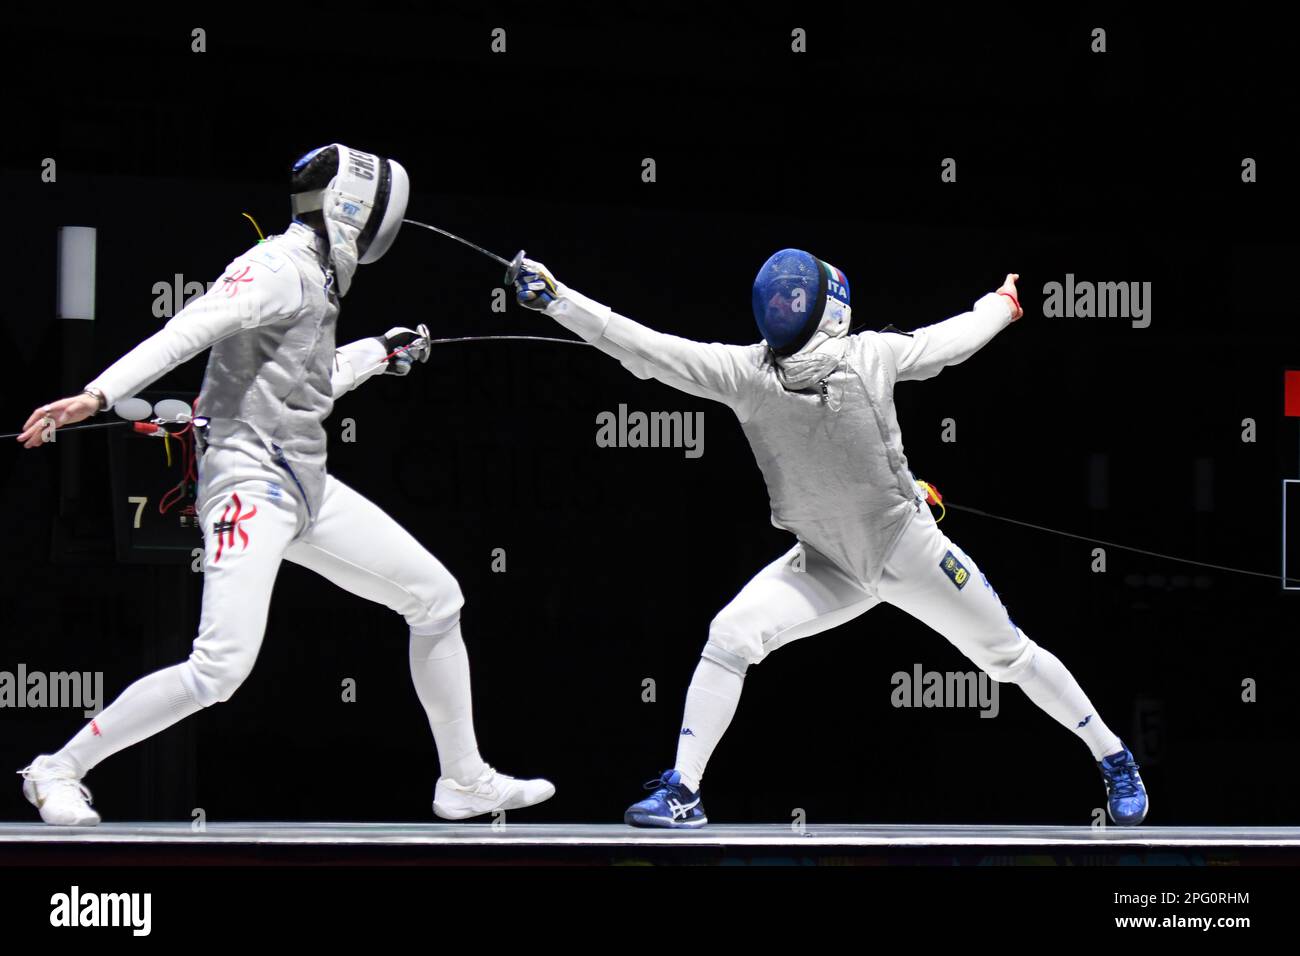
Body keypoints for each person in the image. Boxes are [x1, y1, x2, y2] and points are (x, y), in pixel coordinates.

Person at [514, 249, 1147, 829]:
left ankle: (1113, 756)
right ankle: (684, 791)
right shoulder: (747, 373)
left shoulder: (869, 358)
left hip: (910, 550)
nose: (785, 308)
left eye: (793, 301)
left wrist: (999, 306)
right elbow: (650, 350)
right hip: (824, 563)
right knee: (731, 635)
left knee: (1006, 656)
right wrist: (558, 299)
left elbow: (950, 342)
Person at [15, 144, 554, 826]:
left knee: (436, 597)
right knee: (220, 670)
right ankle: (57, 770)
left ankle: (465, 780)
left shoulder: (315, 276)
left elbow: (307, 381)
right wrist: (97, 395)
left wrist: (377, 353)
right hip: (248, 481)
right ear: (354, 210)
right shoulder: (275, 267)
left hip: (303, 484)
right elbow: (189, 330)